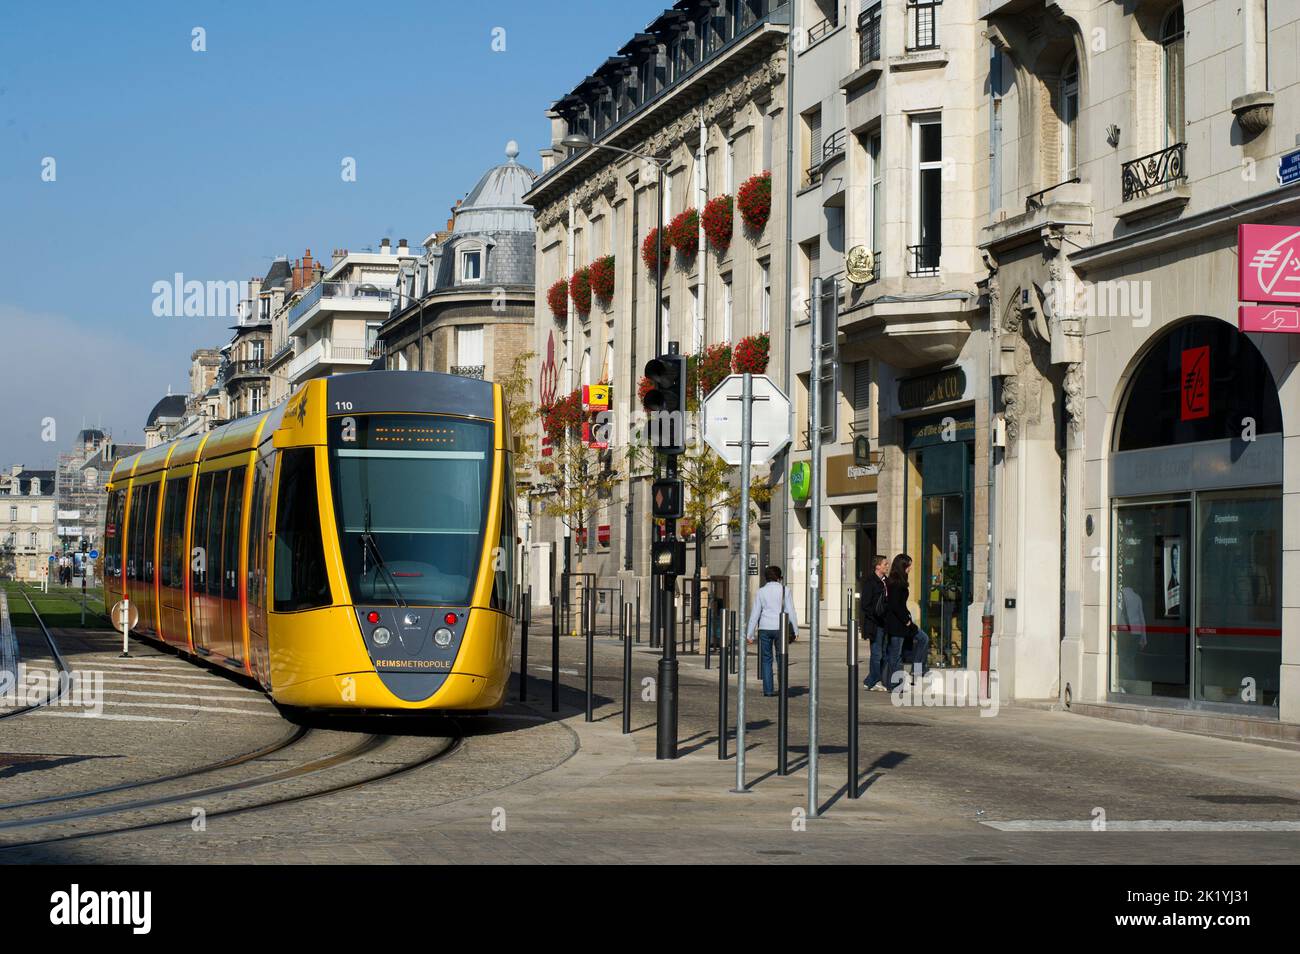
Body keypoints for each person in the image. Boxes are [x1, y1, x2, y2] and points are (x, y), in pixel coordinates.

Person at [746, 565, 798, 697]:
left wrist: (750, 633)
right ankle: (782, 689)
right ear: (779, 577)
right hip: (781, 627)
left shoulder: (761, 591)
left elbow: (755, 613)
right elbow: (791, 610)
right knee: (782, 658)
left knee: (766, 660)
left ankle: (768, 690)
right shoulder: (785, 590)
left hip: (764, 628)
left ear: (766, 578)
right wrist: (796, 630)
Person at [882, 554, 929, 690]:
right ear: (903, 566)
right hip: (898, 624)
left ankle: (917, 670)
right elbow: (896, 606)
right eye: (909, 565)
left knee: (923, 639)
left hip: (902, 622)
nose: (910, 568)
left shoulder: (899, 581)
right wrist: (907, 621)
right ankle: (894, 684)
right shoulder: (896, 583)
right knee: (895, 655)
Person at [860, 555, 890, 692]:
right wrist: (877, 615)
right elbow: (865, 605)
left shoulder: (885, 581)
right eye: (884, 564)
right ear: (877, 566)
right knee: (877, 653)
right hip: (875, 623)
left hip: (884, 623)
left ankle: (872, 680)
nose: (887, 566)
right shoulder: (870, 582)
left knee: (882, 652)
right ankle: (874, 681)